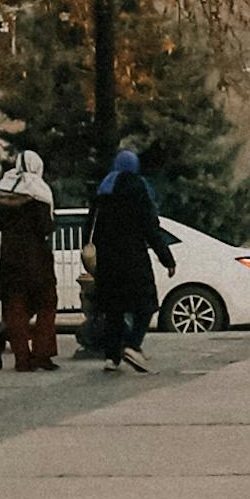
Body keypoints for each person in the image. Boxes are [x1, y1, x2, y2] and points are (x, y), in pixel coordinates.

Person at [84, 142, 175, 368]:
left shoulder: (103, 190)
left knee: (114, 310)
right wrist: (167, 259)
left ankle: (111, 357)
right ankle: (133, 345)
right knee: (146, 304)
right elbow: (150, 228)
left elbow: (89, 229)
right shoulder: (139, 188)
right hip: (133, 258)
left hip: (107, 261)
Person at [0, 150, 61, 373]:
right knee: (46, 304)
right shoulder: (39, 192)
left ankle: (22, 358)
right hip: (36, 257)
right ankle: (42, 353)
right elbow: (46, 227)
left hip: (10, 258)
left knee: (16, 308)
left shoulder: (3, 189)